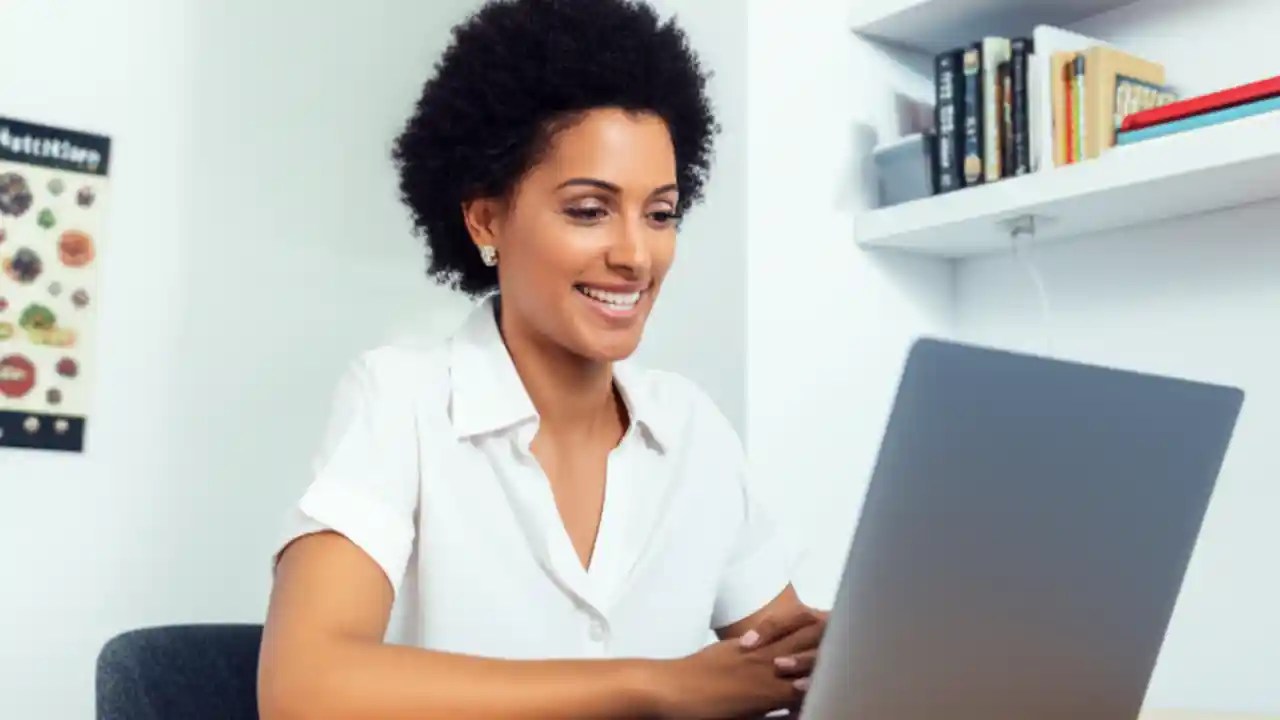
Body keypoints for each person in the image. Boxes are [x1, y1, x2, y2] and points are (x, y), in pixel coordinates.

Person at [257, 0, 827, 717]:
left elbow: (787, 666)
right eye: (589, 210)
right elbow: (305, 690)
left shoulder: (692, 430)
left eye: (660, 213)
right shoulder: (401, 401)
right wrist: (656, 686)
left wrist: (877, 645)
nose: (635, 255)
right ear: (486, 218)